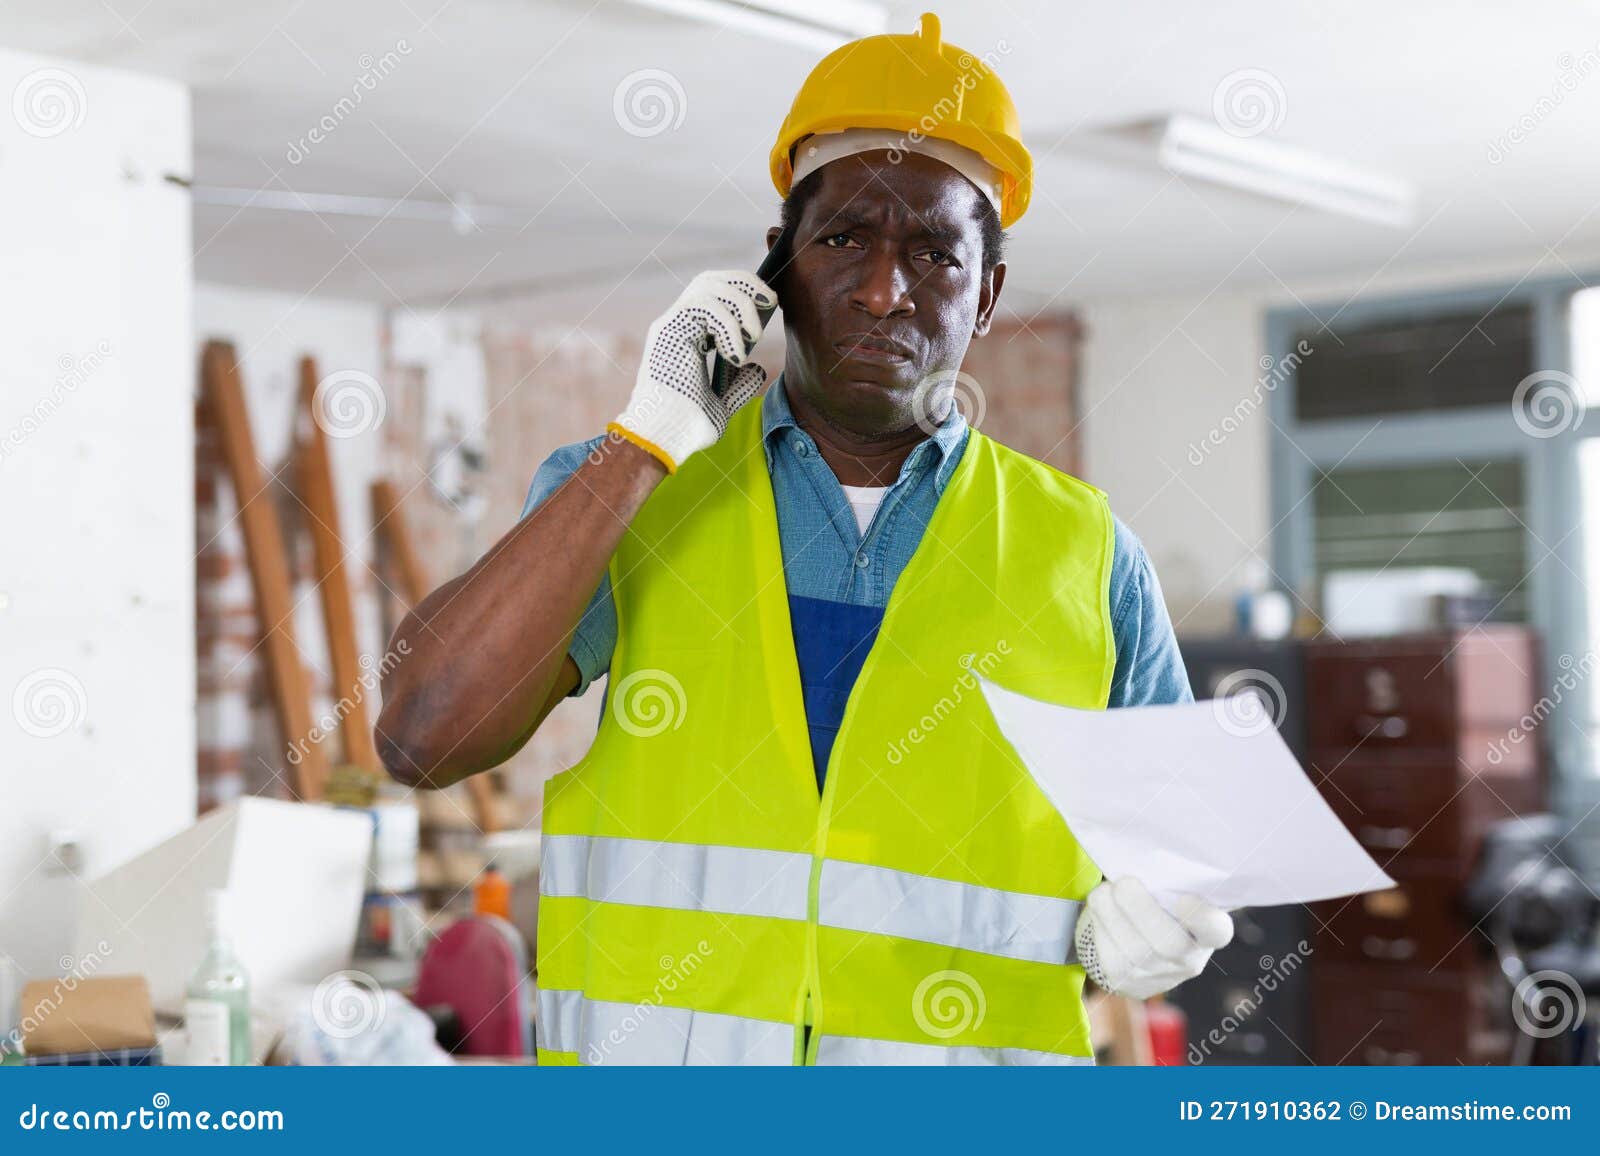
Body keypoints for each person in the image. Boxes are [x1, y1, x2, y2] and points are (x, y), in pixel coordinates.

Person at [377, 11, 1231, 1065]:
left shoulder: (1089, 556)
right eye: (842, 241)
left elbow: (1177, 863)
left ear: (989, 293)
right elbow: (420, 736)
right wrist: (645, 440)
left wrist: (1144, 934)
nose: (883, 290)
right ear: (775, 270)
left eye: (935, 254)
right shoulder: (629, 493)